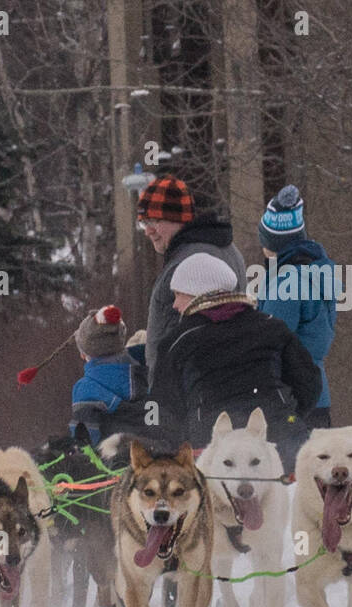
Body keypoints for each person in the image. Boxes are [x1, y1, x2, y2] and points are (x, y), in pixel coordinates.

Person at [148, 254, 321, 469]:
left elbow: (159, 406)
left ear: (196, 294)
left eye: (178, 295)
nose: (174, 305)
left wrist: (160, 448)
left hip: (213, 455)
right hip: (283, 444)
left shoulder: (177, 342)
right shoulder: (272, 327)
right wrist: (291, 417)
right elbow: (310, 383)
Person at [136, 176, 246, 386]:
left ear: (177, 219)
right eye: (144, 223)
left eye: (154, 221)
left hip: (191, 396)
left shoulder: (187, 268)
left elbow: (175, 342)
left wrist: (163, 397)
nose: (148, 231)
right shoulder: (230, 251)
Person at [255, 184, 337, 430]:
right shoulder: (316, 272)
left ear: (274, 242)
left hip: (291, 399)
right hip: (317, 394)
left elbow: (270, 343)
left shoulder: (287, 283)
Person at [69, 306, 140, 446]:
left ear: (85, 355)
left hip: (110, 461)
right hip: (147, 458)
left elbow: (85, 441)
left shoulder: (85, 388)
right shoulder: (144, 377)